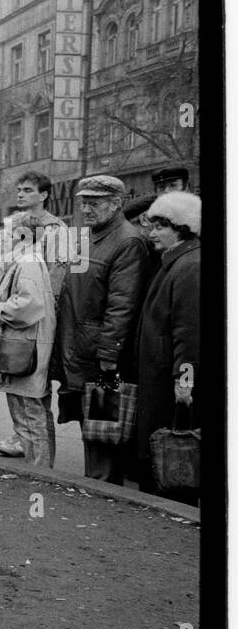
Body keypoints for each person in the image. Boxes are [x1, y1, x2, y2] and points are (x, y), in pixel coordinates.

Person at [53, 175, 146, 485]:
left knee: (103, 435)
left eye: (94, 203)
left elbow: (122, 306)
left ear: (116, 203)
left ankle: (102, 496)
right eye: (83, 203)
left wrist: (108, 357)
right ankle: (97, 489)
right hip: (81, 350)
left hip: (100, 358)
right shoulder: (93, 235)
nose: (87, 209)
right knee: (91, 430)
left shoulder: (127, 241)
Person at [135, 192, 200, 504]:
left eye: (160, 226)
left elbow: (190, 331)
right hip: (160, 376)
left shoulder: (189, 266)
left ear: (182, 228)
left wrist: (184, 381)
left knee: (173, 457)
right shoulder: (177, 261)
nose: (152, 233)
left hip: (168, 383)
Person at [0, 217, 57, 467]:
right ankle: (43, 473)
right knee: (33, 416)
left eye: (7, 233)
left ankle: (39, 476)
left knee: (28, 418)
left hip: (23, 352)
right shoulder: (26, 261)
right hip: (25, 349)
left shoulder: (27, 263)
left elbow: (29, 305)